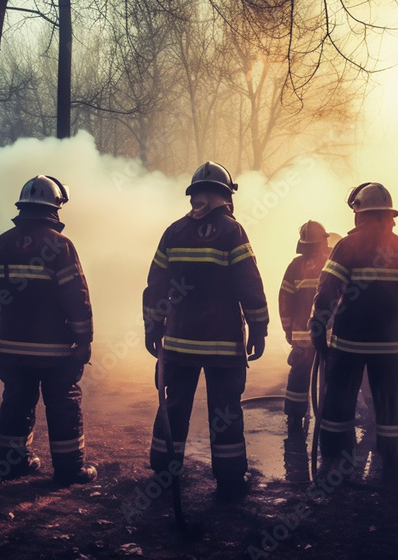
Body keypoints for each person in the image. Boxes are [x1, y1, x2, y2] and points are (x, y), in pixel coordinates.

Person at [143, 161, 268, 502]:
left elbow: (156, 285)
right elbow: (249, 284)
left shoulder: (174, 232)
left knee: (176, 403)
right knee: (224, 410)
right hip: (223, 344)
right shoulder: (232, 231)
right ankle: (229, 481)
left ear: (194, 195)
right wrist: (258, 326)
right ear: (226, 196)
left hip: (180, 343)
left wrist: (153, 326)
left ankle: (165, 472)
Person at [0, 176, 96, 486]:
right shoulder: (60, 246)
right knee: (62, 405)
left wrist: (4, 320)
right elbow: (77, 298)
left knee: (16, 402)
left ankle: (12, 466)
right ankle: (70, 470)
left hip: (10, 349)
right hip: (55, 352)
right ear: (55, 207)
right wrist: (84, 339)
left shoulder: (1, 242)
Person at [309, 183, 398, 484]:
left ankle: (334, 458)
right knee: (389, 398)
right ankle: (393, 458)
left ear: (359, 214)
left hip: (349, 343)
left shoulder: (347, 247)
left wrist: (318, 329)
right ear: (389, 215)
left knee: (339, 398)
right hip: (390, 345)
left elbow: (326, 293)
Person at [279, 220, 330, 429]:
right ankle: (330, 418)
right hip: (329, 336)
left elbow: (284, 300)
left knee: (299, 375)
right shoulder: (333, 262)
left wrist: (288, 330)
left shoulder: (295, 265)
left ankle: (295, 416)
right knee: (331, 377)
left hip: (303, 335)